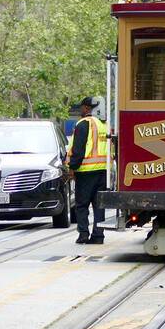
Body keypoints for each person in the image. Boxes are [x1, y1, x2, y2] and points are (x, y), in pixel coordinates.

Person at [68, 97, 109, 245]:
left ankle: (83, 234)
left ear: (86, 108)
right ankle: (98, 235)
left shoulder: (83, 124)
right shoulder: (103, 125)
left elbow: (78, 149)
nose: (81, 110)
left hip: (85, 171)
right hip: (102, 170)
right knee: (99, 205)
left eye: (82, 108)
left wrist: (72, 167)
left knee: (81, 205)